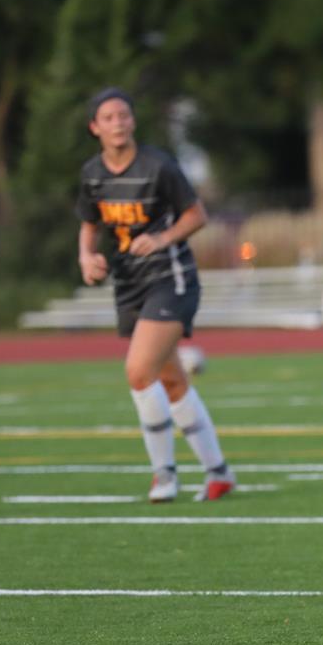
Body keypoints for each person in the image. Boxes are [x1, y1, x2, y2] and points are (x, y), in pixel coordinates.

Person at [76, 87, 234, 503]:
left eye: (124, 115)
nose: (117, 123)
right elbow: (90, 224)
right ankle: (219, 472)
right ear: (95, 127)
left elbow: (197, 214)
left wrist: (162, 238)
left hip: (171, 278)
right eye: (108, 117)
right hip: (129, 283)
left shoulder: (158, 165)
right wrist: (86, 257)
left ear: (133, 121)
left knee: (138, 371)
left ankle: (163, 474)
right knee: (171, 379)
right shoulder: (92, 173)